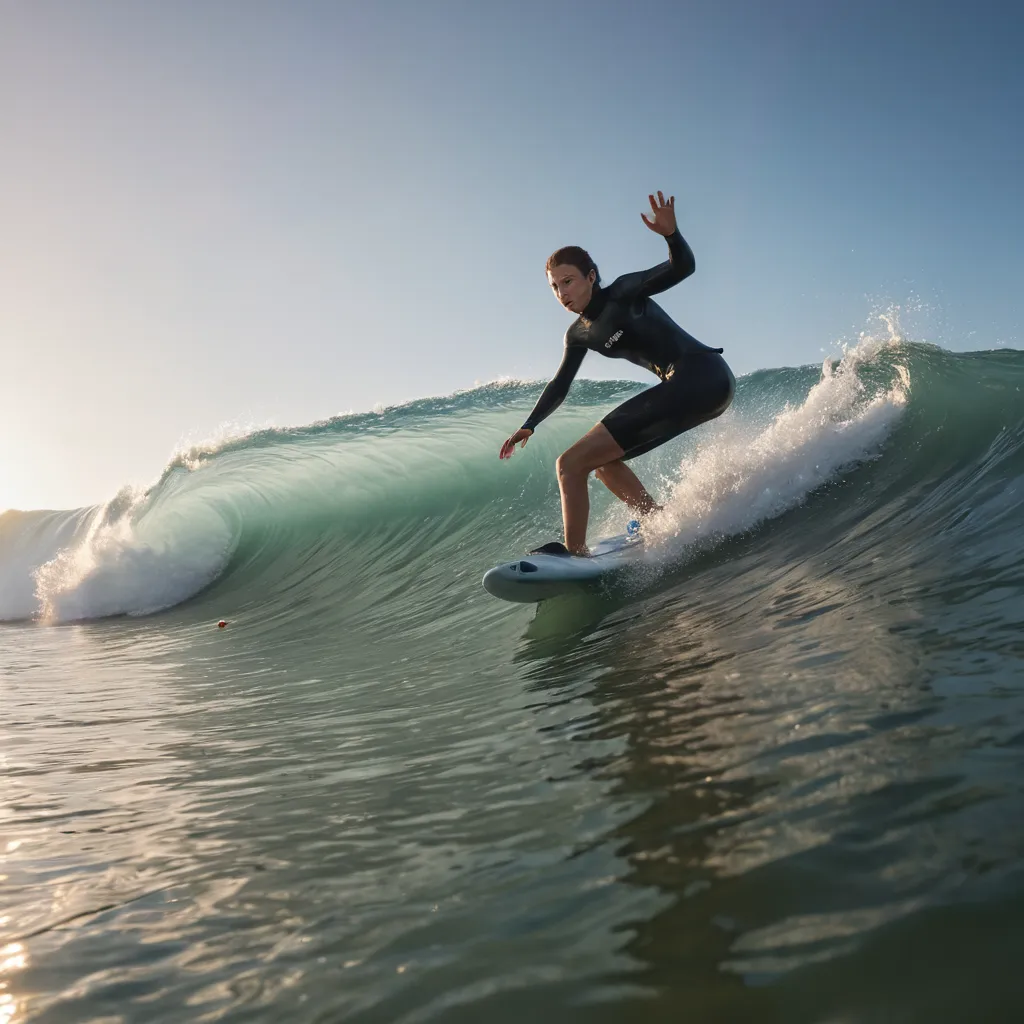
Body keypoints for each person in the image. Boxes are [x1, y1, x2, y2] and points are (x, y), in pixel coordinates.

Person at [499, 191, 735, 556]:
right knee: (602, 464)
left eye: (568, 281)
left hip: (702, 375)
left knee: (569, 464)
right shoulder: (578, 334)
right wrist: (530, 424)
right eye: (554, 286)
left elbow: (682, 268)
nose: (561, 292)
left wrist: (671, 235)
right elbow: (560, 384)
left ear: (591, 276)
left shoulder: (623, 292)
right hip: (696, 389)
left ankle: (575, 553)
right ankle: (658, 522)